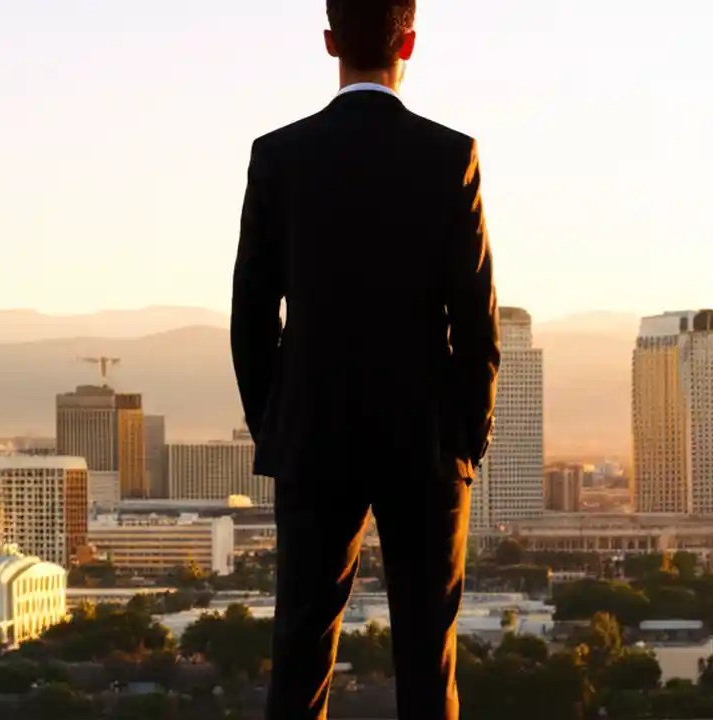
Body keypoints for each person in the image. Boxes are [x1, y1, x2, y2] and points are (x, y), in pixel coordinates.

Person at [229, 0, 499, 717]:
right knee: (426, 661)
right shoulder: (450, 156)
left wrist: (276, 428)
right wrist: (466, 441)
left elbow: (252, 315)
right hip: (427, 441)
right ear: (409, 39)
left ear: (329, 42)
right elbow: (477, 320)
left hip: (314, 438)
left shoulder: (279, 156)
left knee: (299, 657)